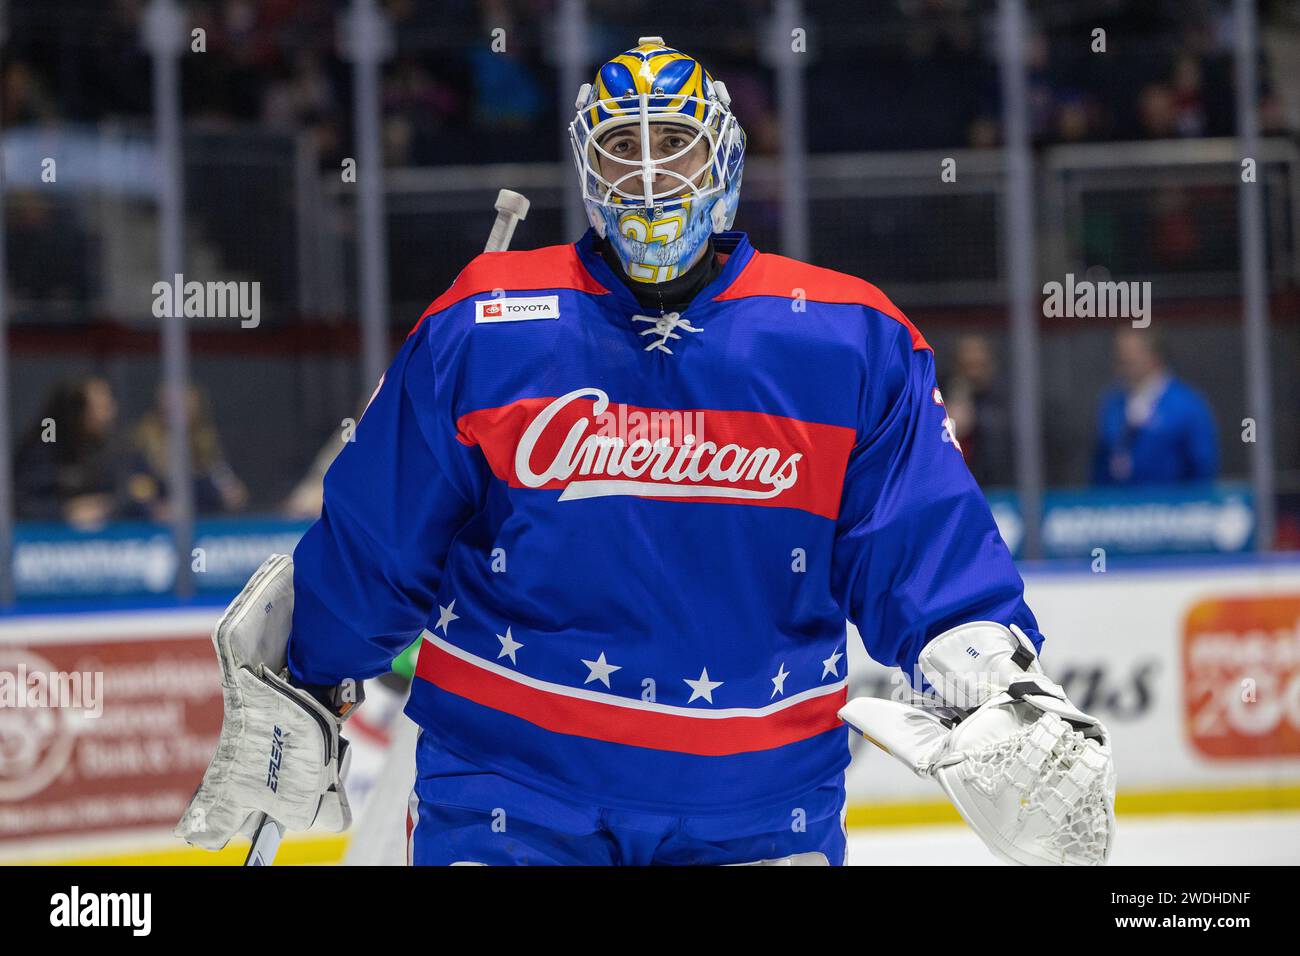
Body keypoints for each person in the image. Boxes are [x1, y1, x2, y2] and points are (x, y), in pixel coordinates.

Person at [178, 39, 1113, 867]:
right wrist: (308, 675)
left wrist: (993, 681)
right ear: (588, 165)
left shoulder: (846, 339)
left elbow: (919, 545)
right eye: (625, 146)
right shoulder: (487, 326)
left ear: (727, 161)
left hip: (757, 811)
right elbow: (381, 543)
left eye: (678, 143)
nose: (653, 174)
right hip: (510, 793)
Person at [1091, 329, 1218, 486]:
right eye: (1120, 355)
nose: (1123, 361)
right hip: (1120, 505)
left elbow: (1202, 467)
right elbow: (1100, 463)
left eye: (1131, 355)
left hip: (1172, 505)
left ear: (1155, 357)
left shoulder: (1186, 405)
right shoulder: (1112, 403)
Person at [15, 376, 134, 528]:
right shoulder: (45, 443)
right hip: (47, 540)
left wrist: (107, 506)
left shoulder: (115, 446)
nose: (110, 414)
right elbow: (21, 502)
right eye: (101, 408)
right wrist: (65, 511)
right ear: (78, 413)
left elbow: (131, 490)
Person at [129, 383, 249, 518]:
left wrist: (233, 494)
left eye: (181, 404)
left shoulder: (205, 443)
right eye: (168, 403)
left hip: (203, 522)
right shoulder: (145, 442)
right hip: (159, 528)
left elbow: (226, 483)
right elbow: (139, 490)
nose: (173, 409)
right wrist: (155, 508)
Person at [942, 333, 1013, 487]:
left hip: (1004, 486)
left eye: (979, 365)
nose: (973, 373)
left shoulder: (1007, 399)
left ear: (991, 365)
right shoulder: (945, 397)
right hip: (960, 486)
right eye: (966, 366)